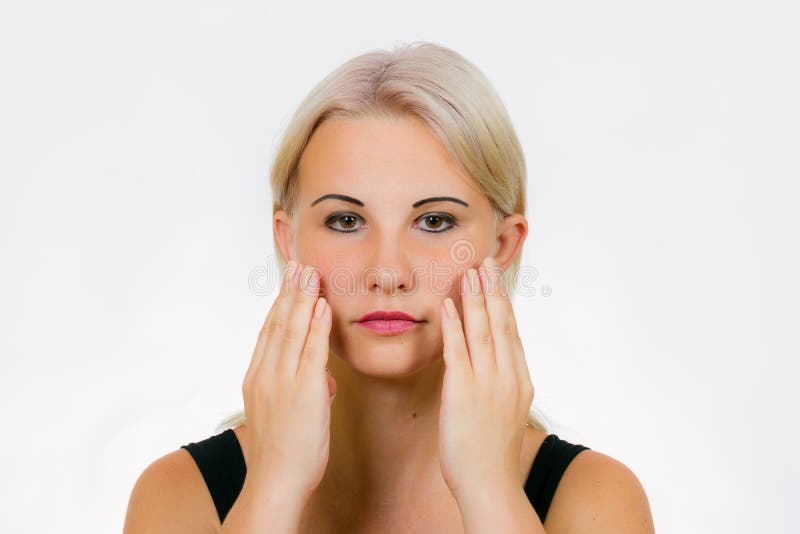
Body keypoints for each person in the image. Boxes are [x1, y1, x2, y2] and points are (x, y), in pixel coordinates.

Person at [123, 41, 654, 533]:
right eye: (346, 222)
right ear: (289, 242)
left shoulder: (594, 498)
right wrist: (274, 487)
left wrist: (488, 490)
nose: (387, 272)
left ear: (501, 245)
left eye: (436, 222)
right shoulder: (181, 494)